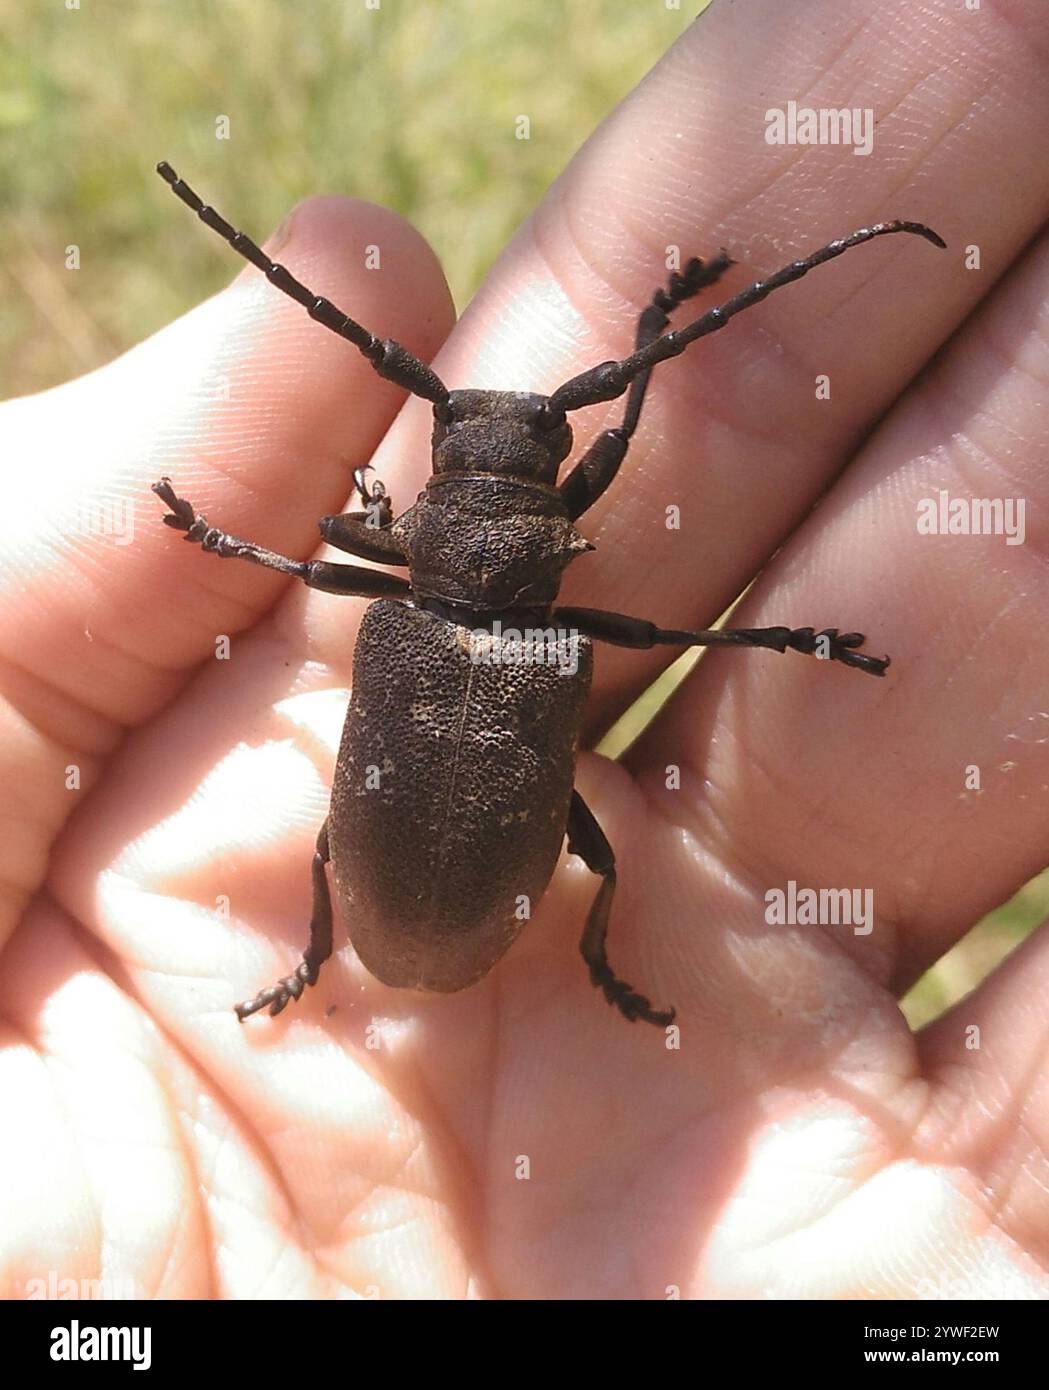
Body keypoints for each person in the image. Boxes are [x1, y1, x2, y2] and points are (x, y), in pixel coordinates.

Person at [2, 1, 1048, 1299]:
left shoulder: (387, 608)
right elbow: (647, 613)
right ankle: (541, 953)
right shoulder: (517, 621)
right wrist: (662, 344)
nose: (519, 439)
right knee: (479, 836)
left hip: (418, 893)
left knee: (346, 833)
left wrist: (241, 541)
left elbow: (321, 546)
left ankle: (348, 956)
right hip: (449, 896)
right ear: (559, 506)